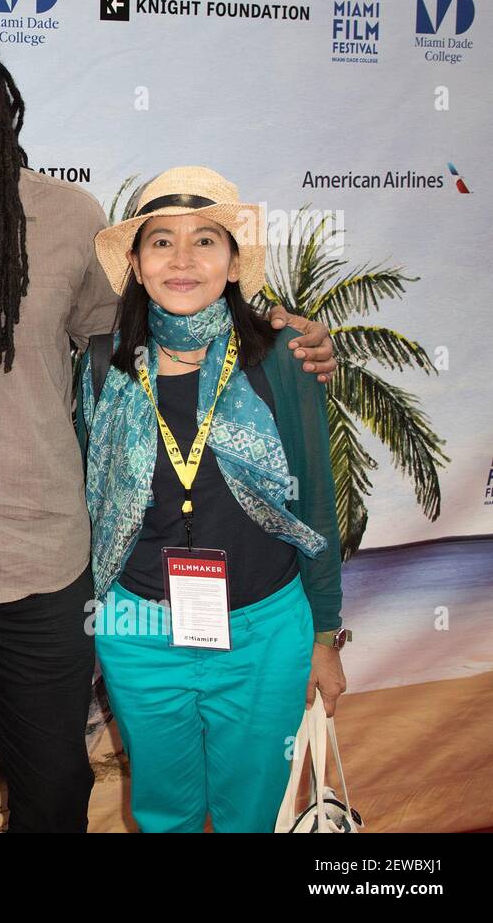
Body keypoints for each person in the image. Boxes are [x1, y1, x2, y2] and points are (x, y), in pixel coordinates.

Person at [0, 18, 337, 832]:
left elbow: (144, 336)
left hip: (47, 561)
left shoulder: (67, 219)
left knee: (55, 786)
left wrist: (274, 332)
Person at [76, 165, 348, 832]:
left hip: (264, 633)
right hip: (139, 632)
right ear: (136, 265)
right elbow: (88, 503)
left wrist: (324, 635)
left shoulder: (284, 356)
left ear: (232, 263)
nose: (182, 259)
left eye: (205, 240)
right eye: (161, 242)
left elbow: (315, 501)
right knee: (164, 814)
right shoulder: (100, 364)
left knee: (249, 816)